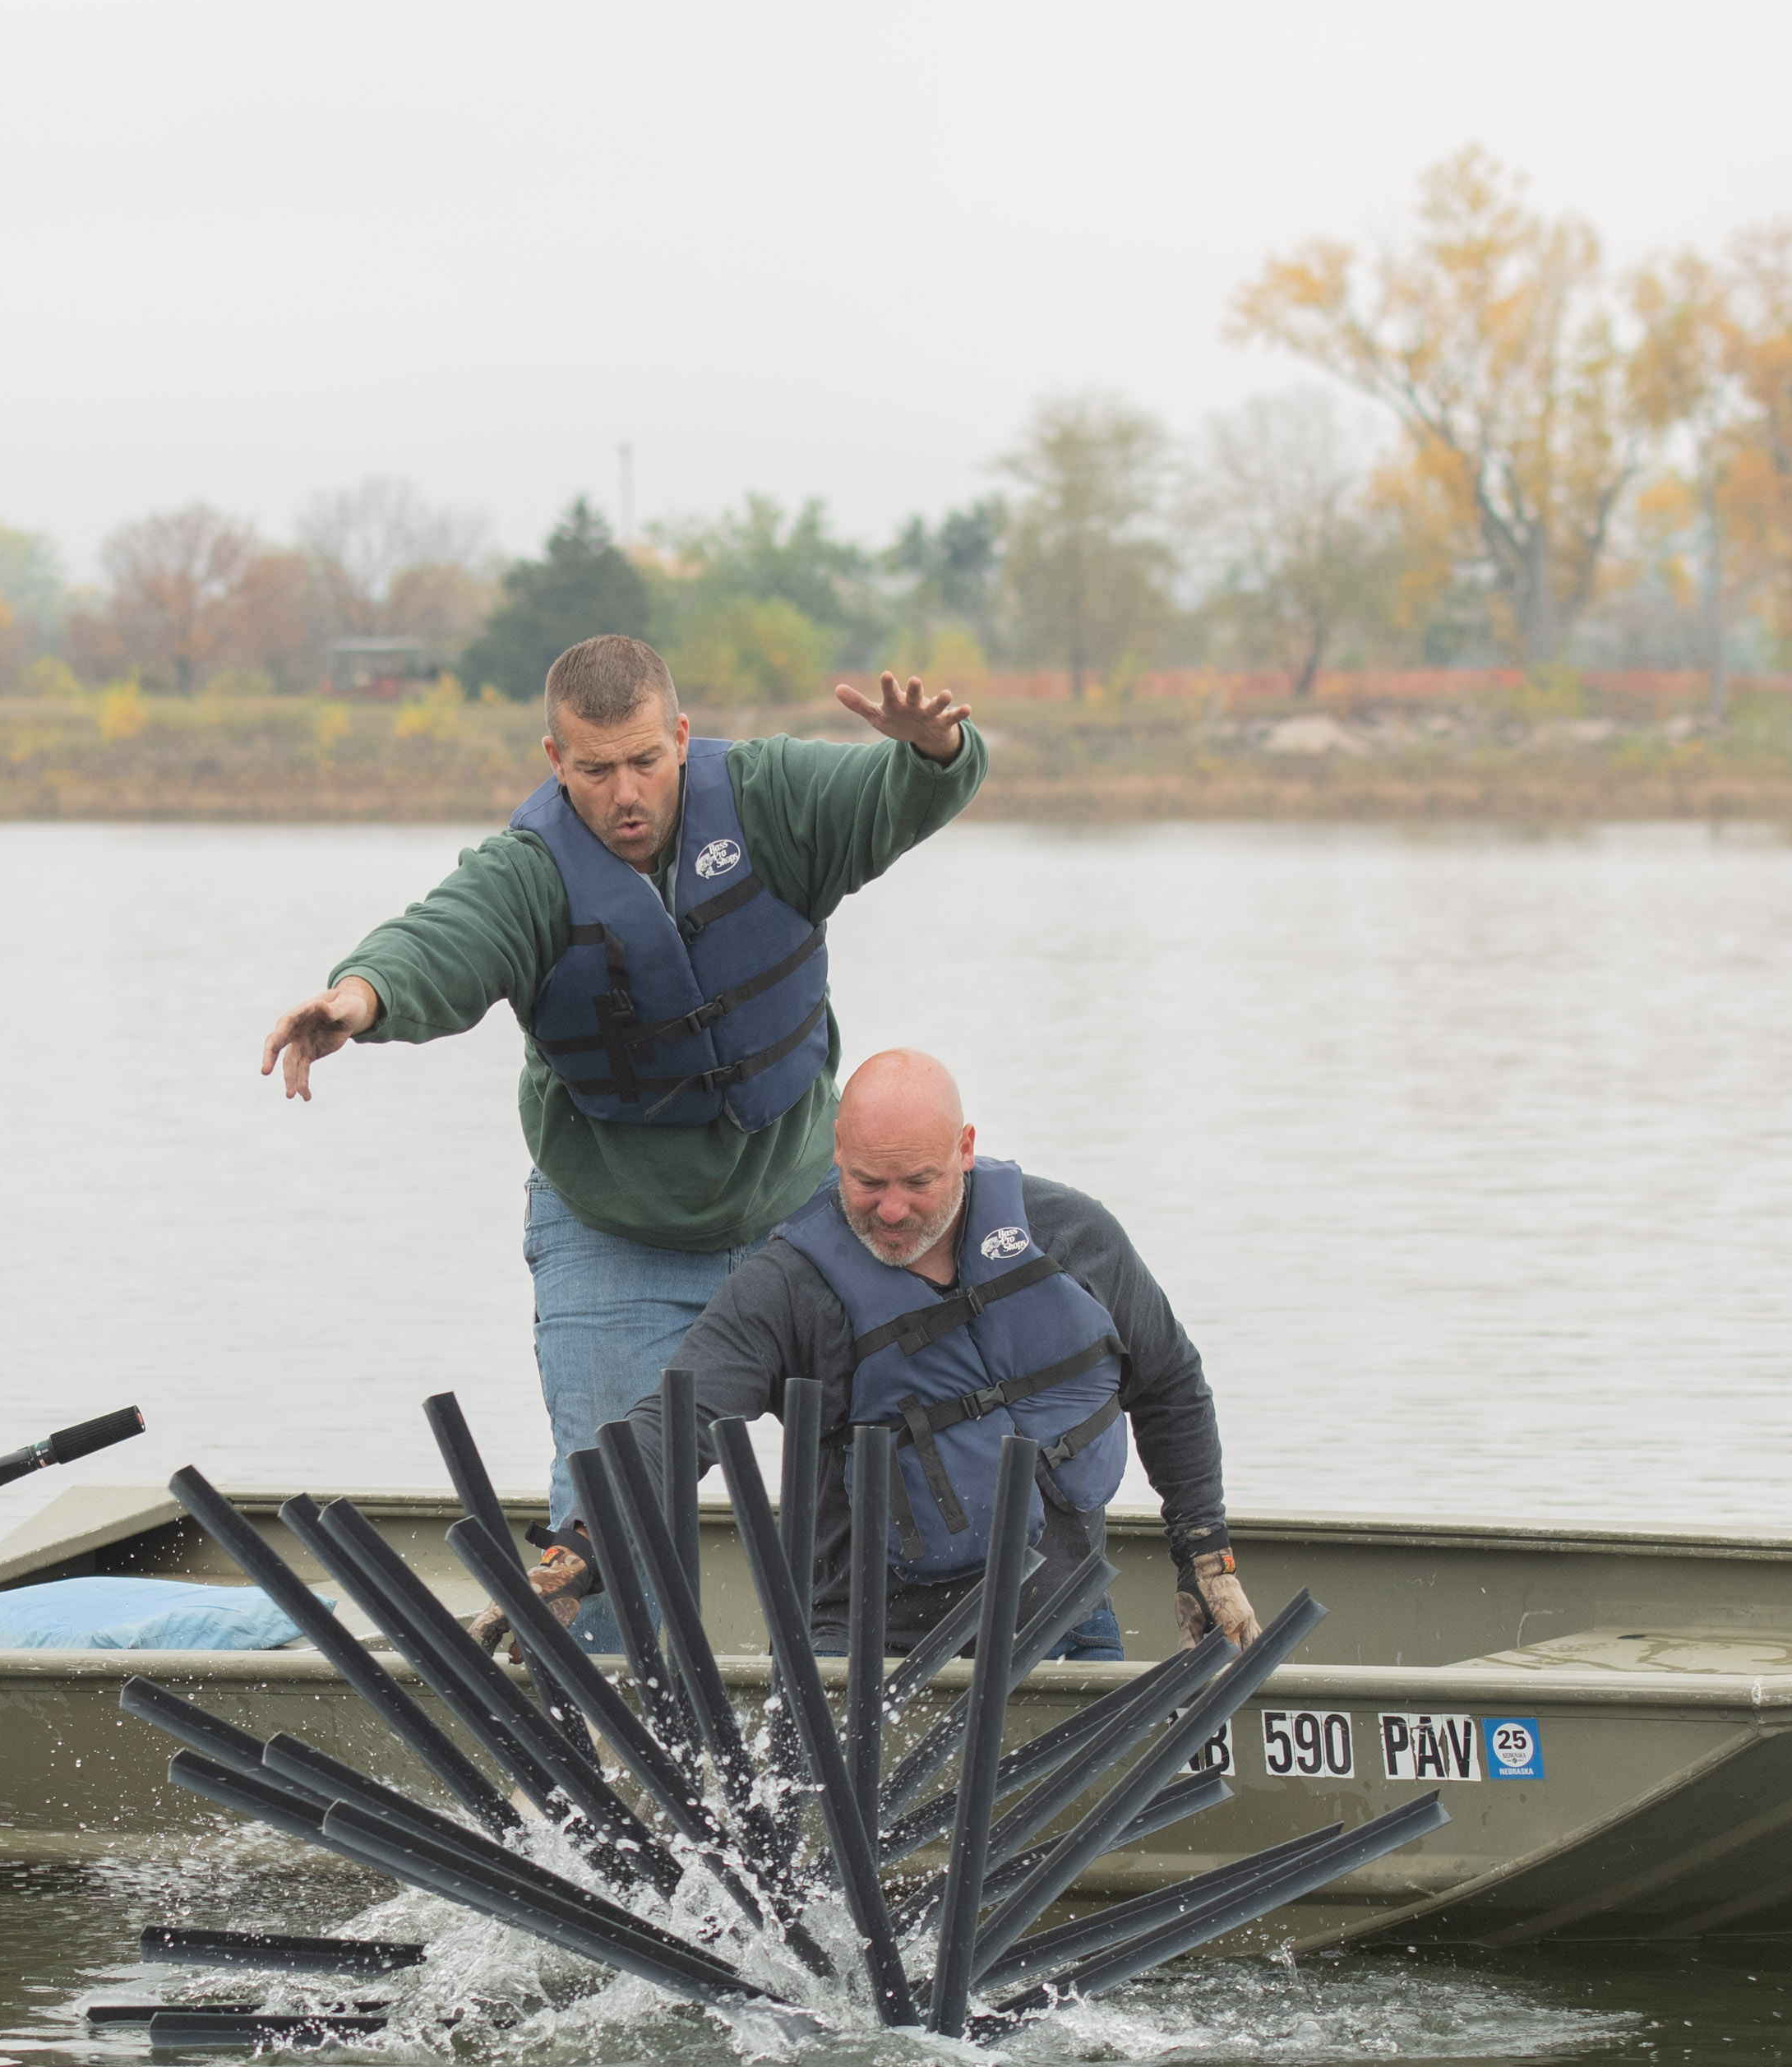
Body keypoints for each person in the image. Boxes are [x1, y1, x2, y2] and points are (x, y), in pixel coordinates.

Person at [256, 631, 986, 1533]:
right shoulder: (531, 872)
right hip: (618, 1229)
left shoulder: (771, 798)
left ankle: (880, 1653)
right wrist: (361, 997)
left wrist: (932, 749)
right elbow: (445, 935)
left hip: (804, 1213)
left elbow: (897, 793)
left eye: (646, 759)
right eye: (597, 770)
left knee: (915, 1449)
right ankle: (593, 1668)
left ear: (681, 735)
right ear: (556, 760)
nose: (627, 792)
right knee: (613, 1506)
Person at [533, 1048, 1256, 1665]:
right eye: (867, 1183)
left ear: (965, 1150)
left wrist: (1204, 1550)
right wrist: (581, 1546)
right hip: (866, 1655)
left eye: (919, 1182)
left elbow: (1169, 1384)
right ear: (836, 1156)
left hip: (1065, 1630)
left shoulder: (1073, 1234)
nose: (891, 1211)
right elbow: (677, 1418)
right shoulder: (790, 1285)